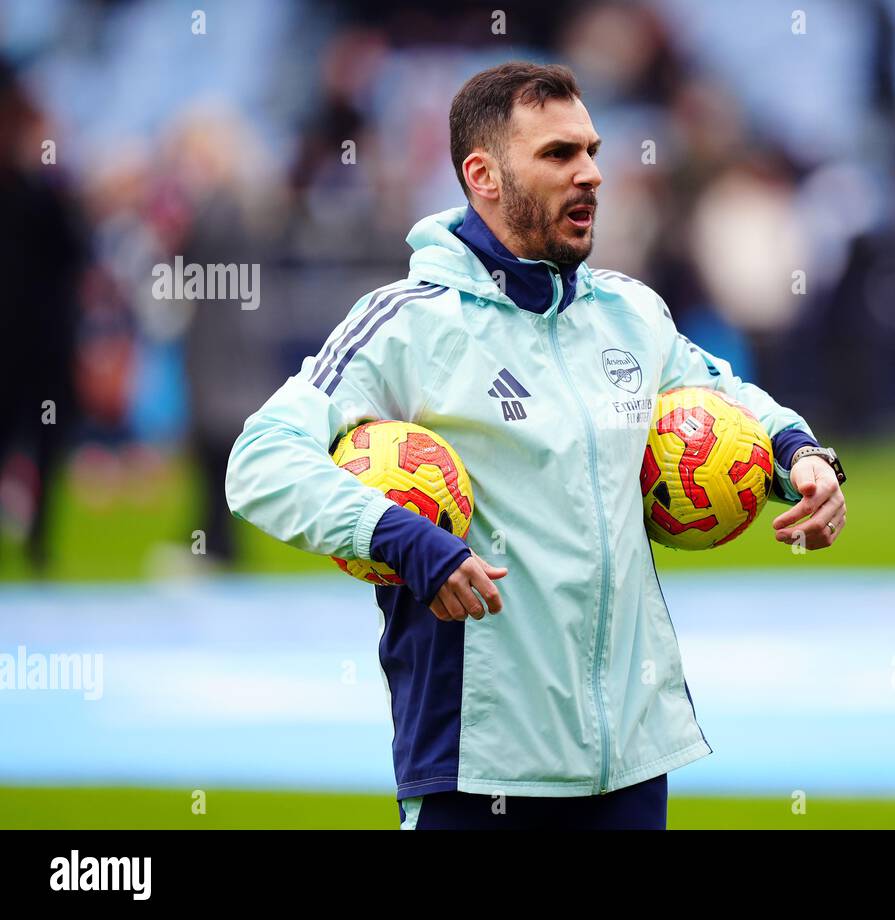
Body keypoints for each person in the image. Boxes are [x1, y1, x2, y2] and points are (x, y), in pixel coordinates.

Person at [225, 61, 847, 830]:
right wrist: (408, 541)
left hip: (631, 762)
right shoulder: (408, 323)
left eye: (591, 151)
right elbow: (261, 458)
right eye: (558, 155)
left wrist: (802, 458)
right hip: (477, 767)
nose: (589, 174)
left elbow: (729, 396)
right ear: (482, 174)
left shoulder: (630, 313)